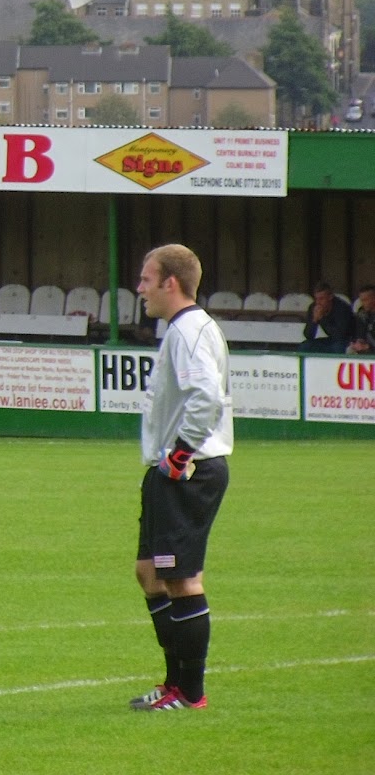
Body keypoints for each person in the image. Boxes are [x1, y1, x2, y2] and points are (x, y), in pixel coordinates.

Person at [130, 243, 233, 712]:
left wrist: (180, 453)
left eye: (146, 280)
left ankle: (189, 692)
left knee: (181, 579)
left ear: (171, 282)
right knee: (150, 573)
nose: (140, 289)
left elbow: (206, 395)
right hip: (169, 468)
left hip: (189, 470)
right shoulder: (181, 329)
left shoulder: (189, 330)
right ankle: (174, 682)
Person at [301, 280, 356, 353]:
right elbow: (308, 336)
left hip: (347, 340)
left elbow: (340, 335)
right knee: (305, 346)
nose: (318, 302)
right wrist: (314, 320)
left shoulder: (342, 308)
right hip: (331, 340)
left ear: (330, 297)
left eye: (321, 299)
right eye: (316, 299)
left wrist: (322, 318)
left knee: (338, 348)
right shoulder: (313, 307)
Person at [349, 285, 375, 354]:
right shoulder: (362, 313)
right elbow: (359, 331)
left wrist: (368, 346)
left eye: (365, 300)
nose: (363, 303)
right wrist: (359, 341)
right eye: (361, 300)